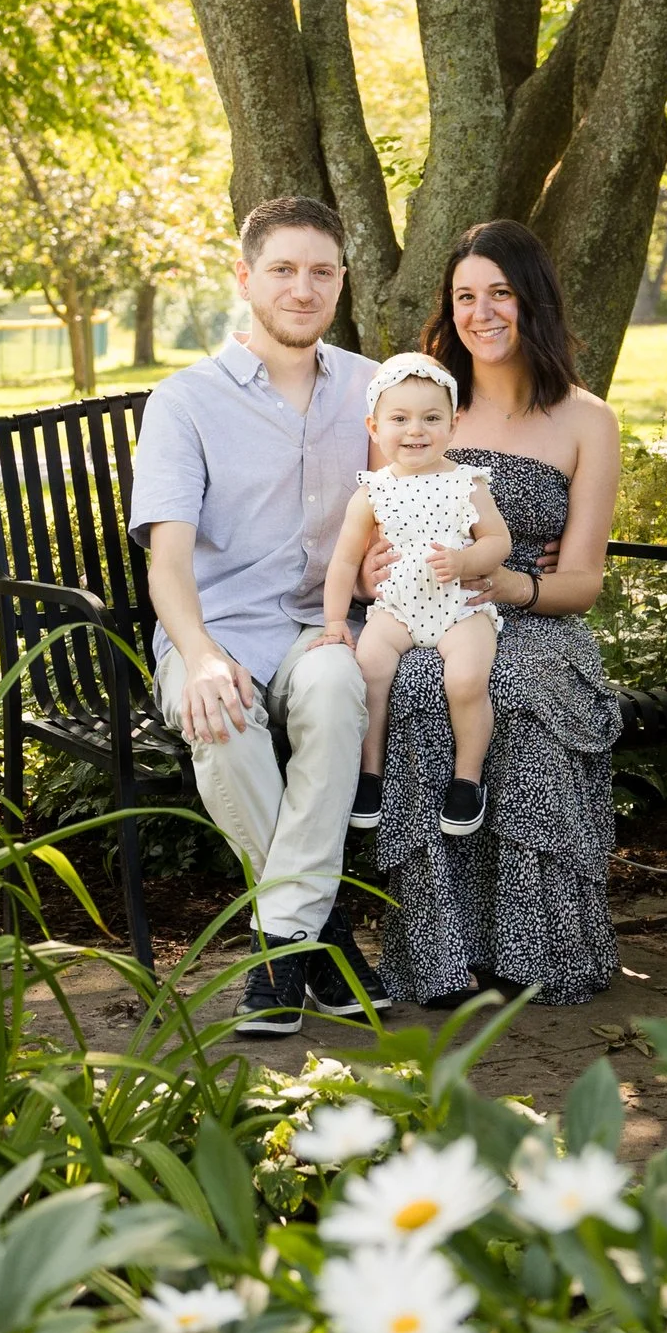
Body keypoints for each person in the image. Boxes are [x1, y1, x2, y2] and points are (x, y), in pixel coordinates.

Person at [126, 196, 393, 1036]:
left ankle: (280, 947)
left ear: (341, 282)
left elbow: (404, 503)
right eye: (282, 269)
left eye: (321, 272)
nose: (302, 288)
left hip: (321, 627)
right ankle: (321, 937)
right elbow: (166, 563)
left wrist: (389, 552)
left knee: (333, 690)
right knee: (226, 717)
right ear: (246, 280)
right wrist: (199, 655)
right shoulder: (186, 402)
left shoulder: (370, 386)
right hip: (217, 632)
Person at [367, 220, 625, 1007]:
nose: (481, 313)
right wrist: (374, 565)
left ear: (532, 302)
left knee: (513, 686)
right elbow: (381, 528)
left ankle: (532, 948)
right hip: (427, 615)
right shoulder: (421, 412)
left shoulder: (586, 420)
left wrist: (520, 587)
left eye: (500, 294)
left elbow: (581, 580)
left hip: (539, 624)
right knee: (412, 686)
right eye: (465, 296)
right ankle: (440, 955)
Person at [315, 353, 512, 837]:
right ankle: (370, 773)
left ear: (453, 424)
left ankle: (467, 779)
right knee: (369, 669)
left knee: (465, 679)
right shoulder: (372, 492)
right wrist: (335, 620)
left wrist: (466, 562)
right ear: (374, 426)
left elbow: (498, 541)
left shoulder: (468, 483)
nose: (415, 430)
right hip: (398, 608)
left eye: (431, 418)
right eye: (399, 419)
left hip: (460, 608)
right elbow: (343, 560)